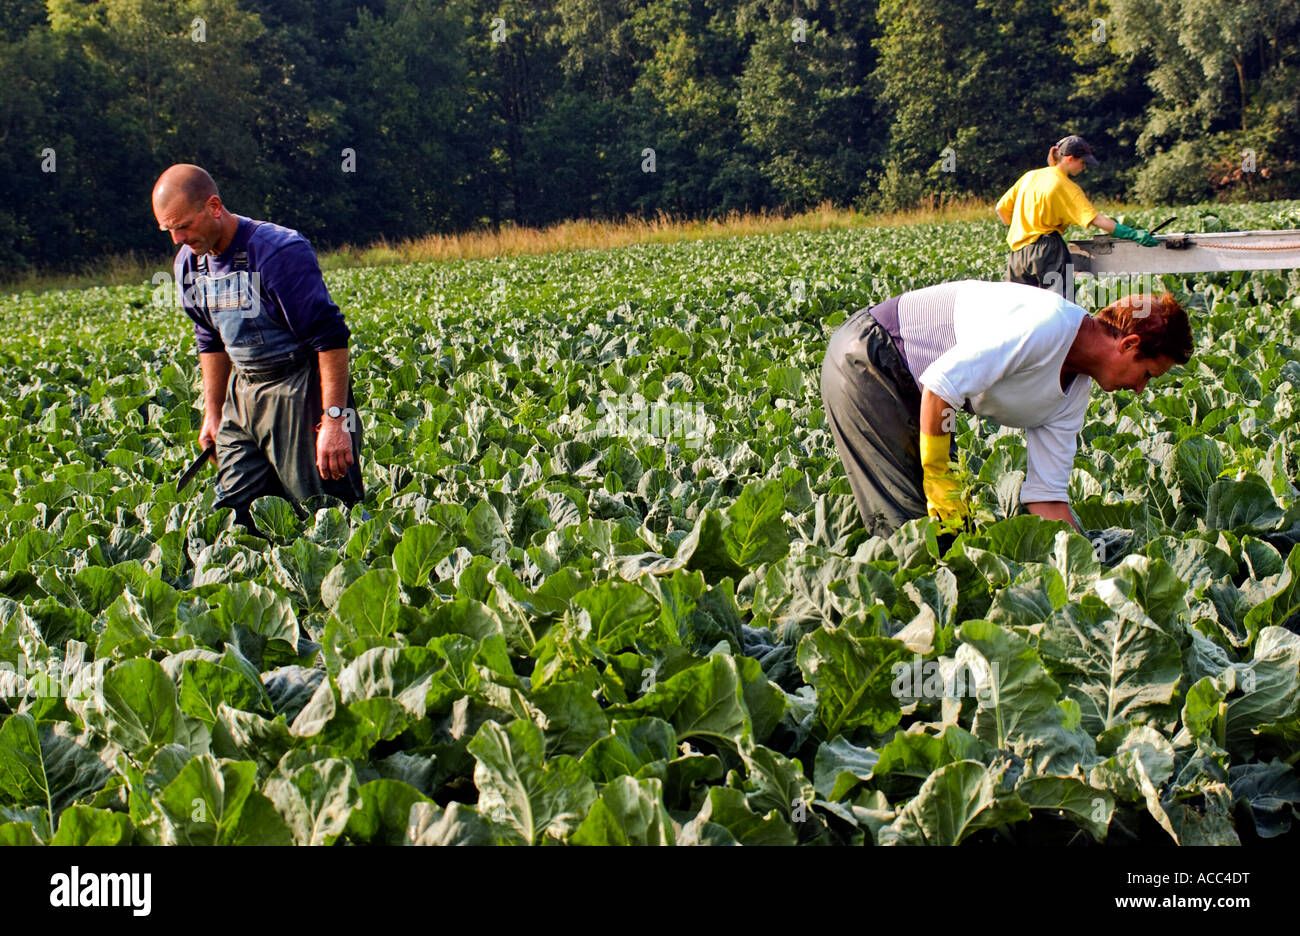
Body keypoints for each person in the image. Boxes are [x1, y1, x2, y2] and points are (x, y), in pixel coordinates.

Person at [820, 280, 1193, 537]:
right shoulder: (1047, 326)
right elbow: (941, 384)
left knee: (951, 533)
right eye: (1147, 374)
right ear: (1128, 345)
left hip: (923, 394)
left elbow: (1046, 497)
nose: (1141, 389)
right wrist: (937, 477)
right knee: (913, 530)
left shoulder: (1075, 393)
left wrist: (1084, 567)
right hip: (873, 356)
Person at [151, 164, 363, 531]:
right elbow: (209, 339)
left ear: (214, 207)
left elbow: (330, 338)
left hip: (298, 389)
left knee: (324, 513)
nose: (177, 238)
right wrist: (213, 411)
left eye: (183, 226)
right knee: (233, 515)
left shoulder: (278, 252)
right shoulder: (188, 264)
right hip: (242, 395)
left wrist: (333, 420)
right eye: (168, 229)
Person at [996, 135, 1161, 295]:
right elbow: (1096, 219)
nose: (1084, 167)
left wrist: (1023, 228)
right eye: (1082, 163)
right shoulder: (1065, 186)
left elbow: (1001, 209)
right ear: (1070, 159)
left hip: (1017, 253)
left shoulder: (1030, 176)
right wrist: (1131, 234)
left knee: (1020, 306)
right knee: (1059, 306)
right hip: (1047, 251)